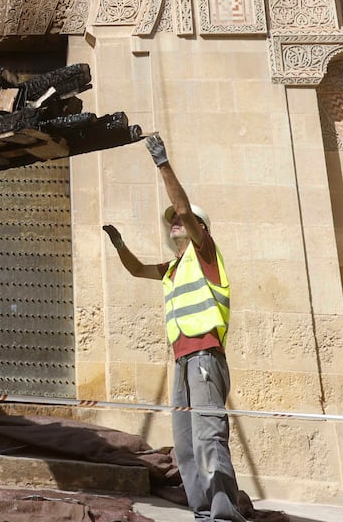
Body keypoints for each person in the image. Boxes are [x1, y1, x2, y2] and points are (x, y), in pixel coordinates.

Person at [103, 134, 246, 522]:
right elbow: (136, 269)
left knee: (208, 435)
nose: (176, 224)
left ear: (197, 227)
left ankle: (224, 511)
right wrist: (119, 244)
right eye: (173, 224)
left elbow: (182, 208)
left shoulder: (205, 253)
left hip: (204, 354)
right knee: (184, 443)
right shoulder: (172, 269)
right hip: (182, 361)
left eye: (182, 222)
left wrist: (162, 164)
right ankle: (202, 509)